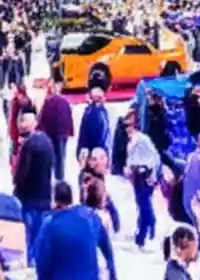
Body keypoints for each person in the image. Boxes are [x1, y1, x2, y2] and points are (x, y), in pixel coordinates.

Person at [33, 181, 116, 280]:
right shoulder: (90, 217)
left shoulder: (49, 225)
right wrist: (112, 274)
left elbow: (41, 262)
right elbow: (107, 248)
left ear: (54, 202)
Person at [12, 112, 55, 262]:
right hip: (44, 195)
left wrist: (17, 187)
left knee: (30, 233)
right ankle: (39, 260)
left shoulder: (29, 145)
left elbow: (22, 171)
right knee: (40, 232)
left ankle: (32, 261)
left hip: (29, 196)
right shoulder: (46, 141)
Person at [123, 113, 160, 250]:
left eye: (129, 125)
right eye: (126, 126)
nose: (127, 128)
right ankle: (145, 229)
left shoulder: (143, 139)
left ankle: (143, 235)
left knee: (144, 204)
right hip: (136, 176)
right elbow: (131, 158)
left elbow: (154, 156)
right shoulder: (130, 141)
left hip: (145, 174)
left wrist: (152, 175)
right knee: (142, 204)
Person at [38, 79, 75, 182]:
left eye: (57, 86)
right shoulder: (48, 102)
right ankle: (53, 175)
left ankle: (60, 177)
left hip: (62, 134)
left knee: (61, 155)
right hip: (51, 133)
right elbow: (43, 117)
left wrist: (70, 131)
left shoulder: (64, 102)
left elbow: (69, 117)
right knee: (53, 155)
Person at [76, 87, 111, 162]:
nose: (105, 98)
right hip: (95, 154)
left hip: (98, 152)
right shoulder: (93, 114)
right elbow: (93, 135)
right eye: (102, 97)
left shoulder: (101, 111)